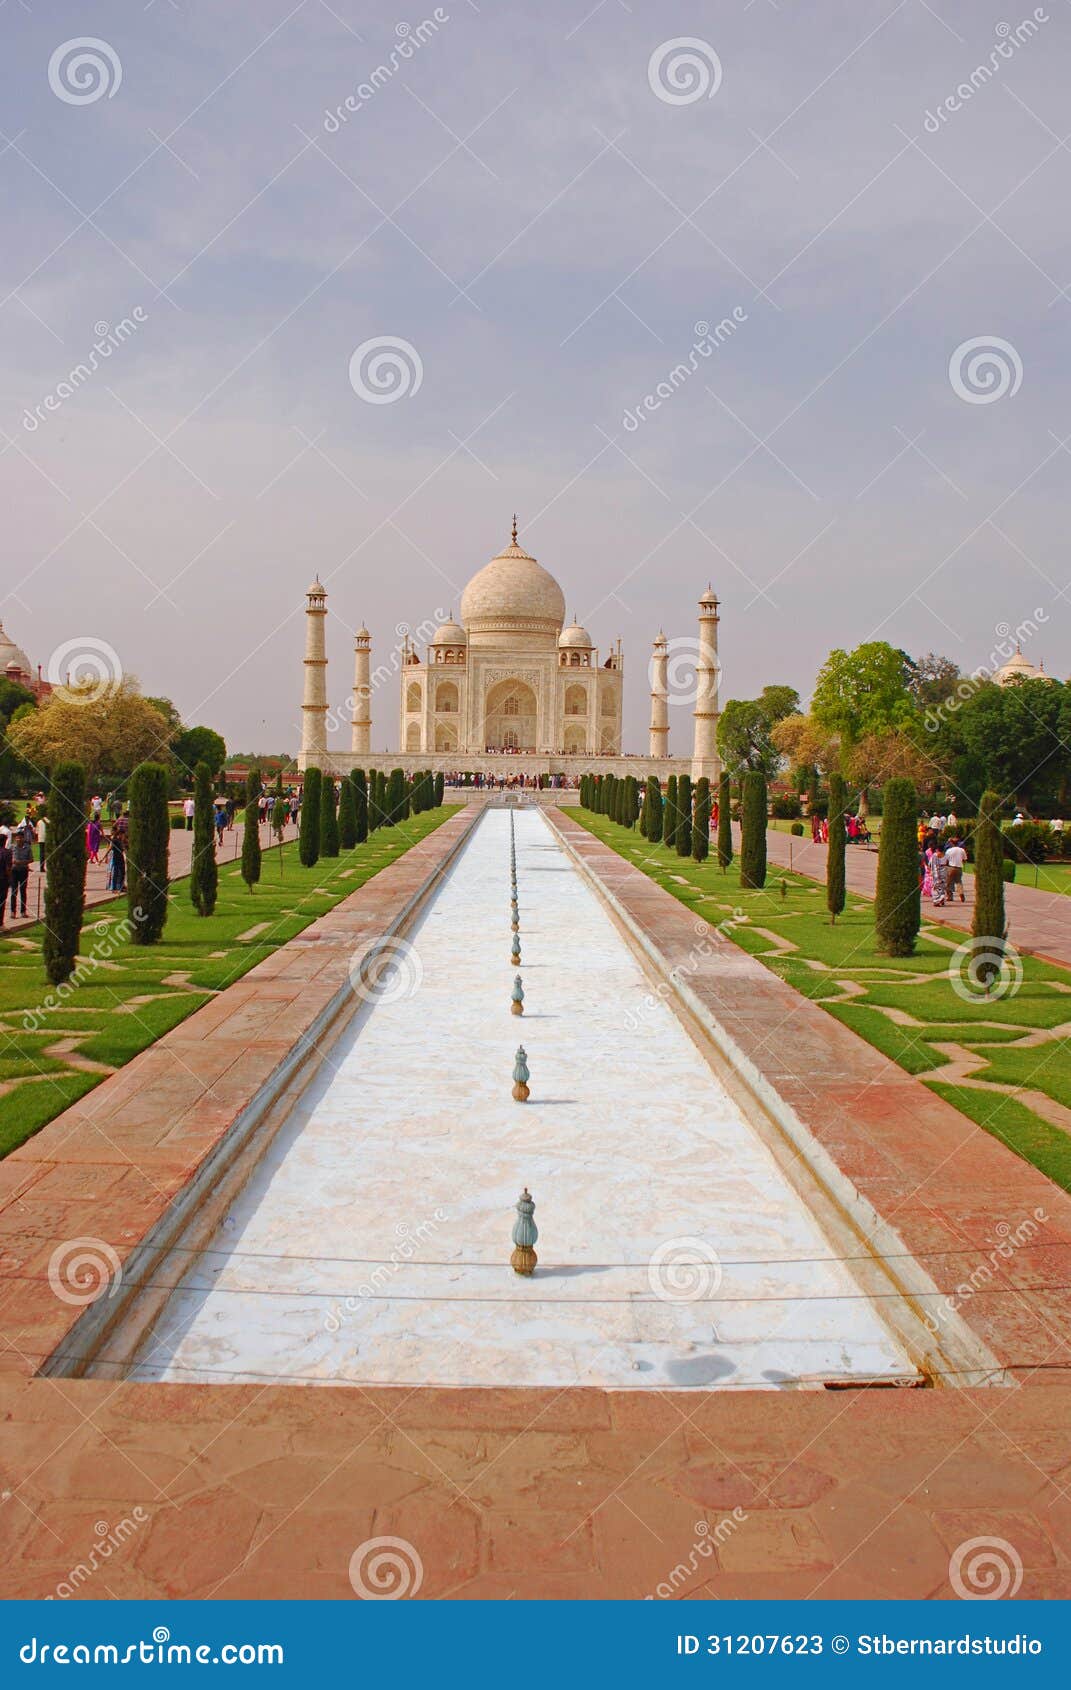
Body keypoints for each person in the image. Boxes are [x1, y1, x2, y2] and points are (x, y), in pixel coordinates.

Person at [8, 821, 33, 917]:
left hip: (23, 870)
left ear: (23, 838)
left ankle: (23, 911)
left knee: (23, 891)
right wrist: (12, 862)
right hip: (14, 871)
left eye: (20, 838)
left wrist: (22, 862)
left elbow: (31, 859)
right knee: (14, 891)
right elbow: (9, 858)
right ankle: (12, 911)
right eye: (17, 838)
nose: (18, 839)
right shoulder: (12, 847)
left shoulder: (27, 848)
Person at [945, 837, 967, 903]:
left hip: (951, 867)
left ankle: (950, 896)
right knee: (959, 882)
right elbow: (965, 859)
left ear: (951, 843)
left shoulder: (949, 850)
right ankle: (961, 893)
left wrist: (946, 866)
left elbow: (946, 860)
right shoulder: (962, 850)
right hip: (959, 868)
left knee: (948, 883)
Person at [104, 827, 126, 892]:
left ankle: (121, 887)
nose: (123, 836)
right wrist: (104, 858)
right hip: (116, 859)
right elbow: (109, 849)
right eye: (123, 835)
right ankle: (113, 888)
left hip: (121, 859)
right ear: (120, 834)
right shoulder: (114, 840)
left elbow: (123, 849)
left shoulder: (120, 841)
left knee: (122, 873)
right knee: (115, 874)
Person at [0, 834, 11, 929]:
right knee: (2, 902)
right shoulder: (7, 852)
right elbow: (8, 868)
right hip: (3, 880)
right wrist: (10, 879)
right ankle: (0, 923)